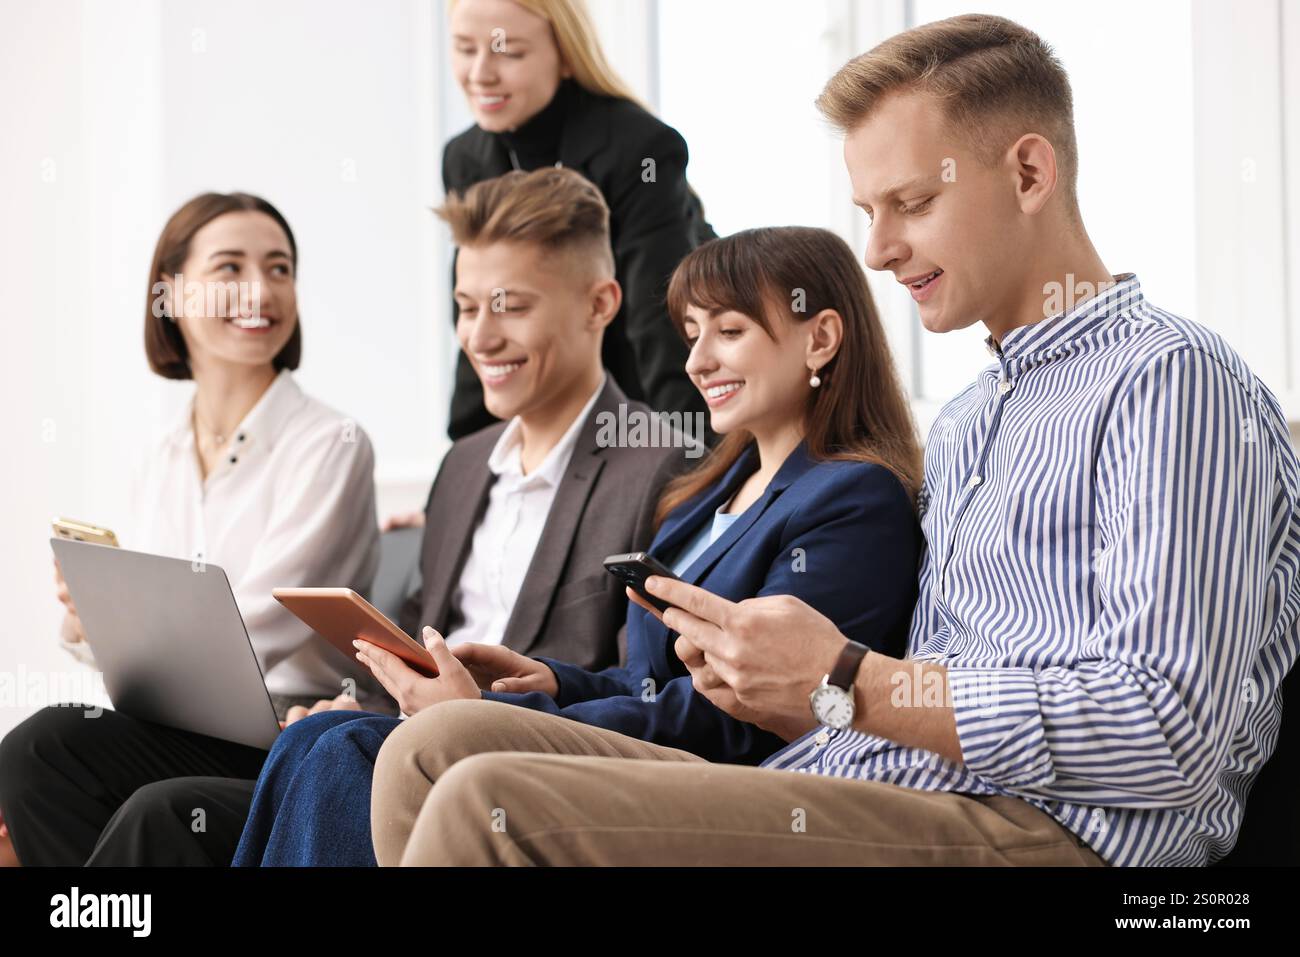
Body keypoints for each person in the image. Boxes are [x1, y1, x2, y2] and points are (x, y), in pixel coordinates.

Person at [369, 13, 1300, 867]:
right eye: (869, 213)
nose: (880, 249)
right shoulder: (974, 417)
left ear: (1028, 173)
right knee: (431, 749)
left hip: (1045, 829)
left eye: (912, 204)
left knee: (485, 796)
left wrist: (849, 679)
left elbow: (1172, 736)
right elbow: (898, 690)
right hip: (874, 780)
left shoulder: (1170, 382)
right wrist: (786, 686)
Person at [76, 167, 696, 866]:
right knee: (87, 764)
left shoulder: (663, 466)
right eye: (465, 307)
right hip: (377, 744)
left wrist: (478, 713)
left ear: (599, 304)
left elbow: (653, 693)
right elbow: (405, 645)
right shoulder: (464, 466)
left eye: (510, 306)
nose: (480, 338)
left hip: (505, 772)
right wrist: (351, 699)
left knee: (165, 815)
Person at [255, 220, 925, 867]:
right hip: (660, 742)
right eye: (692, 334)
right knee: (315, 734)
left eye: (729, 330)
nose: (697, 360)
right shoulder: (704, 498)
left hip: (725, 773)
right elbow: (645, 680)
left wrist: (493, 714)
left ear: (822, 338)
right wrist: (552, 678)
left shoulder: (852, 498)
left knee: (344, 750)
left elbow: (744, 711)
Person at [0, 192, 385, 867]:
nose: (259, 290)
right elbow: (165, 652)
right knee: (34, 749)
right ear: (170, 294)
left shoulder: (331, 442)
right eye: (230, 268)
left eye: (279, 268)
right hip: (184, 722)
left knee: (115, 783)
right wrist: (94, 618)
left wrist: (123, 622)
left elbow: (245, 634)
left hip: (289, 726)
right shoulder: (163, 452)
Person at [443, 0, 714, 439]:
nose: (480, 74)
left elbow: (660, 328)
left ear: (567, 56)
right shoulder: (464, 159)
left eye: (508, 51)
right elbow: (480, 313)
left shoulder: (639, 148)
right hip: (556, 416)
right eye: (463, 48)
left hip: (640, 403)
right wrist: (460, 489)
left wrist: (688, 476)